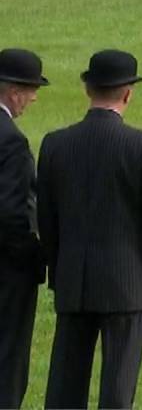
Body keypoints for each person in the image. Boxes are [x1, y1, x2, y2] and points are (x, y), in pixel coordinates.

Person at [39, 50, 142, 410]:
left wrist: (59, 272)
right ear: (128, 93)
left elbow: (47, 219)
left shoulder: (55, 144)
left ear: (88, 89)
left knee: (65, 389)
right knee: (117, 388)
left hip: (75, 283)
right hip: (127, 284)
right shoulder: (141, 146)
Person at [0, 49, 48, 409]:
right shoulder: (11, 142)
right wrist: (37, 260)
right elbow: (14, 217)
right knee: (7, 363)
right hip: (6, 276)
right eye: (31, 90)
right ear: (13, 91)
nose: (32, 99)